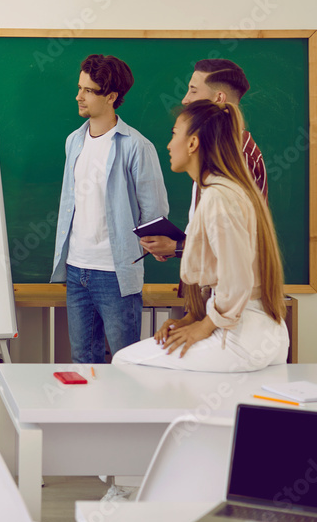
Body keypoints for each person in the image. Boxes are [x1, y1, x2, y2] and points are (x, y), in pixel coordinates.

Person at [113, 100, 289, 371]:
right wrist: (191, 320)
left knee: (124, 362)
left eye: (174, 134)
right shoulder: (227, 189)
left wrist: (204, 327)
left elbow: (237, 279)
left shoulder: (218, 196)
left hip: (241, 336)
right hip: (262, 332)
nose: (170, 145)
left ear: (193, 143)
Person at [50, 55, 169, 364]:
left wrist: (133, 254)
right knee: (83, 362)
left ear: (111, 96)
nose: (78, 96)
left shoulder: (136, 146)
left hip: (115, 274)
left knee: (126, 364)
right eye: (79, 88)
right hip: (76, 271)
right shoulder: (73, 142)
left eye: (88, 90)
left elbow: (155, 215)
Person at [140, 58, 267, 262]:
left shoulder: (237, 155)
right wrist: (176, 246)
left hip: (226, 287)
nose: (185, 99)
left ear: (218, 98)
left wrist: (177, 247)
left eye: (193, 90)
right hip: (210, 282)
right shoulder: (215, 150)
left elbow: (235, 238)